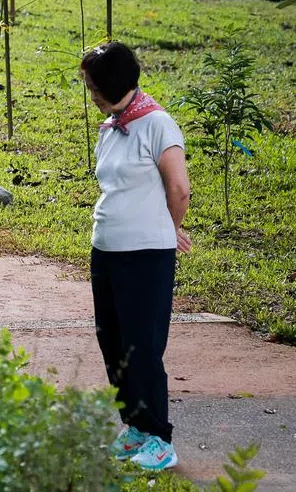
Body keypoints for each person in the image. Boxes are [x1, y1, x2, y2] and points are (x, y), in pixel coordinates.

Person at [80, 42, 192, 472]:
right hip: (105, 249)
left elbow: (178, 189)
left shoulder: (158, 125)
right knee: (112, 343)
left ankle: (159, 438)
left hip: (146, 255)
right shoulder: (111, 126)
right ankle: (134, 426)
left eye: (92, 83)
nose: (88, 90)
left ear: (111, 83)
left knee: (142, 347)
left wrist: (170, 229)